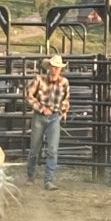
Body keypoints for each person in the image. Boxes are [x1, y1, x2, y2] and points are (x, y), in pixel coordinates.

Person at [25, 53, 70, 190]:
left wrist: (62, 111)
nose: (55, 69)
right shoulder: (39, 80)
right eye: (53, 66)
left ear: (60, 69)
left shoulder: (64, 82)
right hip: (40, 116)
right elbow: (28, 94)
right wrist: (41, 108)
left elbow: (66, 100)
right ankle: (31, 175)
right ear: (49, 67)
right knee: (34, 149)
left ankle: (48, 180)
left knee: (52, 150)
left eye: (57, 67)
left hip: (54, 117)